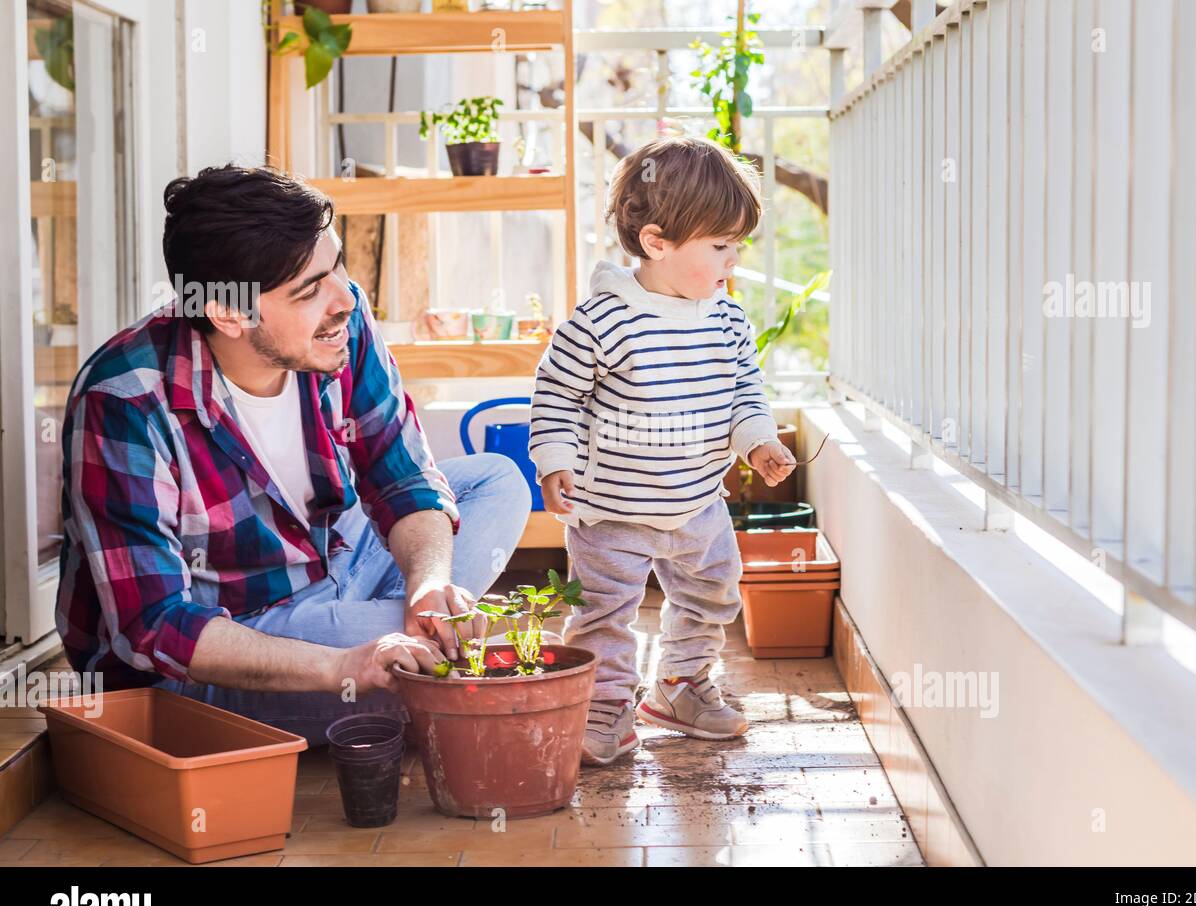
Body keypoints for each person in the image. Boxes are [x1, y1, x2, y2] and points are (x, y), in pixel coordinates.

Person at [57, 164, 532, 745]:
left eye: (337, 269)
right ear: (228, 313)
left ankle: (398, 643)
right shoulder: (125, 400)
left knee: (497, 480)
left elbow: (401, 475)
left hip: (328, 559)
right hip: (218, 646)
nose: (345, 301)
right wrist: (341, 667)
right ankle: (388, 663)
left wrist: (428, 584)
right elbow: (155, 626)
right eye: (309, 290)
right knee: (457, 658)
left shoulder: (336, 324)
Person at [528, 136, 797, 765]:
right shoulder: (603, 320)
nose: (733, 262)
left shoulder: (727, 322)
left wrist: (758, 441)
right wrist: (555, 461)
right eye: (720, 247)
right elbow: (556, 395)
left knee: (712, 596)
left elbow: (743, 396)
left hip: (699, 505)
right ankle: (602, 706)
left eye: (737, 246)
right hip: (612, 509)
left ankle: (679, 687)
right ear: (656, 242)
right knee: (604, 613)